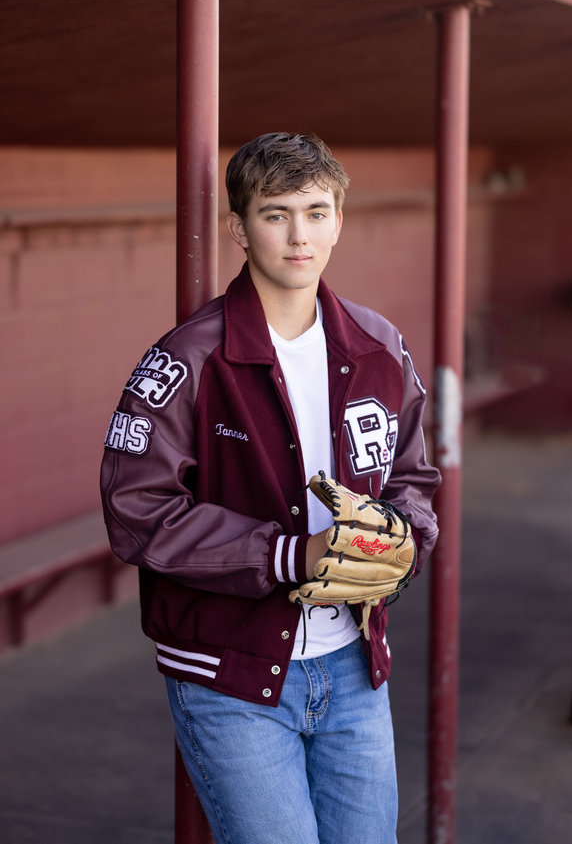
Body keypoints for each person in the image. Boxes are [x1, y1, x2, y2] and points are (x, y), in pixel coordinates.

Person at [100, 132, 440, 844]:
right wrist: (292, 553)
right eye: (276, 213)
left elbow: (412, 474)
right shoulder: (187, 358)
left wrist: (404, 538)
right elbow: (138, 512)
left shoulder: (379, 346)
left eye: (317, 212)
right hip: (229, 673)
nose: (299, 235)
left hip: (354, 663)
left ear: (339, 220)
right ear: (239, 227)